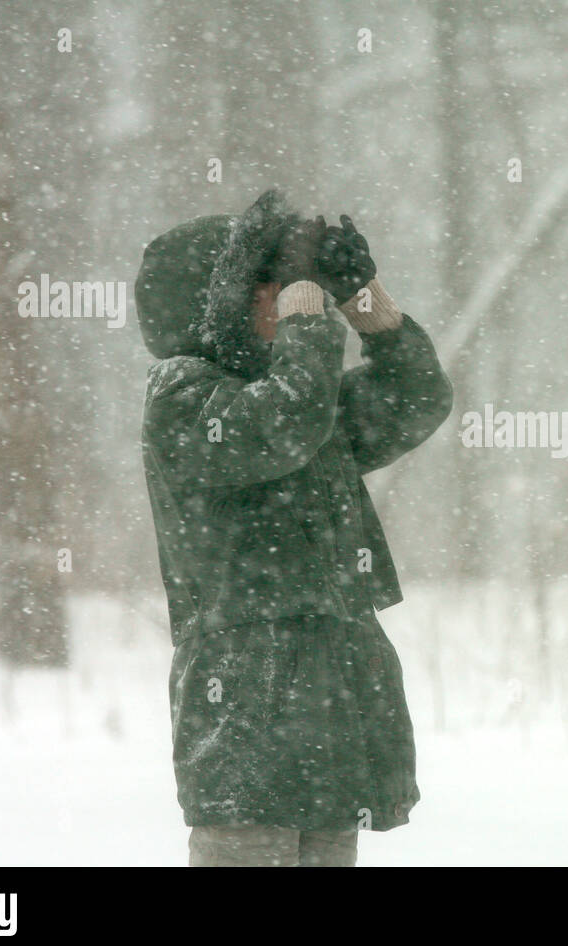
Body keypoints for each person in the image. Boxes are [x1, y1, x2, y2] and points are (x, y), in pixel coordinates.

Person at [134, 189, 453, 866]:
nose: (281, 301)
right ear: (211, 301)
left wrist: (366, 302)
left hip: (331, 714)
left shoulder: (296, 393)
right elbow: (284, 425)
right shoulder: (185, 396)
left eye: (284, 287)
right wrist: (310, 323)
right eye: (265, 288)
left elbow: (416, 398)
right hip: (245, 716)